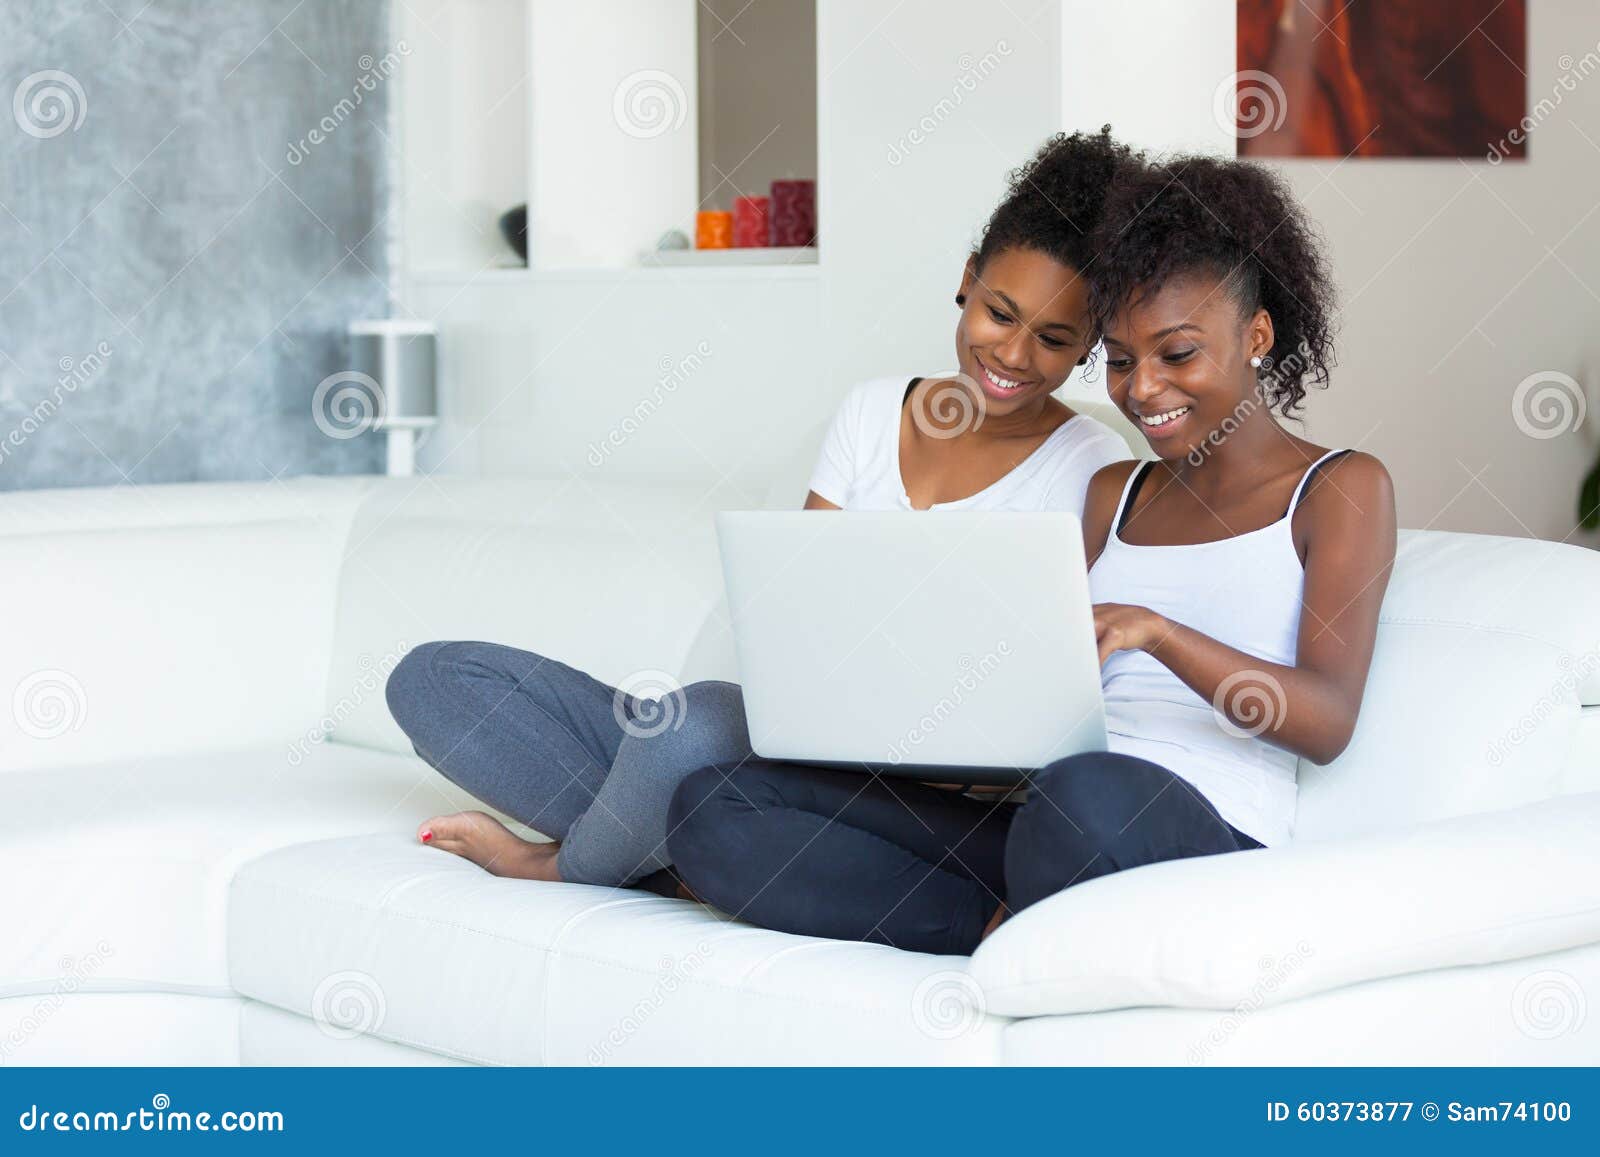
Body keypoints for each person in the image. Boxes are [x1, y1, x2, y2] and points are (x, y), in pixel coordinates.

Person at [666, 153, 1397, 954]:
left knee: (1084, 795)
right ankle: (992, 929)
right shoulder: (1114, 490)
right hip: (1040, 816)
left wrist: (1160, 633)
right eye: (1119, 359)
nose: (1144, 388)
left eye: (1177, 354)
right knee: (722, 801)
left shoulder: (1340, 487)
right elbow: (1038, 684)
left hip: (1196, 834)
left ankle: (1021, 914)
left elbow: (1327, 720)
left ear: (1257, 334)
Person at [383, 127, 1139, 896]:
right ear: (968, 280)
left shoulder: (1094, 467)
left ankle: (564, 862)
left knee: (686, 730)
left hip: (928, 797)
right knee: (439, 680)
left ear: (1085, 348)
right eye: (999, 313)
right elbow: (793, 613)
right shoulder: (873, 411)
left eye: (1052, 338)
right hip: (786, 744)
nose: (1012, 354)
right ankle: (670, 845)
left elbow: (1059, 697)